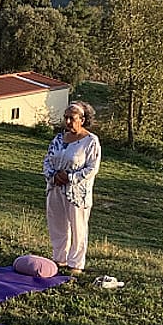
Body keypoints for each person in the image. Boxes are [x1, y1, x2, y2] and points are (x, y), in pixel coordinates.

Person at [42, 101, 101, 276]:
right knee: (57, 224)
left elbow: (92, 168)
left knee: (78, 227)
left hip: (77, 193)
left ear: (82, 120)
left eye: (72, 118)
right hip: (55, 188)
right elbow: (48, 160)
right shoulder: (58, 139)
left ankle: (75, 264)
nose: (67, 122)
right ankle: (59, 258)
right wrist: (53, 176)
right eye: (65, 118)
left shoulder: (91, 141)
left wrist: (70, 178)